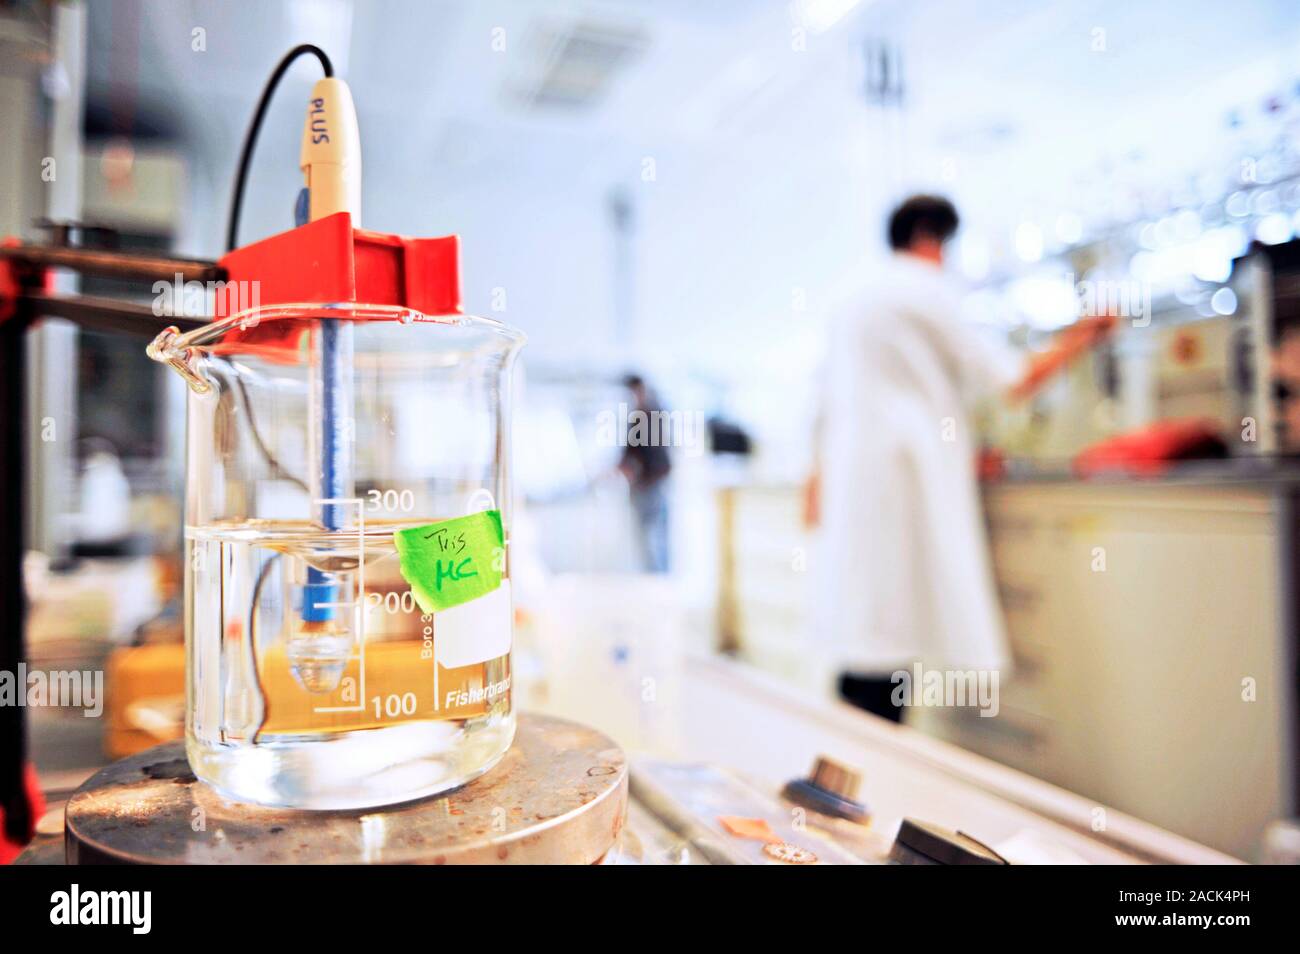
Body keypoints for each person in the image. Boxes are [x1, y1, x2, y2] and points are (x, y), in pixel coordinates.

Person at [804, 195, 1111, 721]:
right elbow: (1014, 380)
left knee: (869, 617)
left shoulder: (852, 297)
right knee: (892, 620)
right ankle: (876, 754)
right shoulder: (928, 290)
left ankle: (857, 748)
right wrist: (1088, 332)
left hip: (859, 475)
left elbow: (824, 400)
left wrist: (814, 482)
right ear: (931, 238)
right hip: (907, 475)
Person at [619, 373, 672, 572]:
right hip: (646, 485)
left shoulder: (651, 417)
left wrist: (644, 481)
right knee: (649, 537)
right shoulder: (637, 418)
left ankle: (659, 579)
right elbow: (629, 451)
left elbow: (659, 459)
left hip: (652, 485)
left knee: (654, 537)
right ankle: (656, 576)